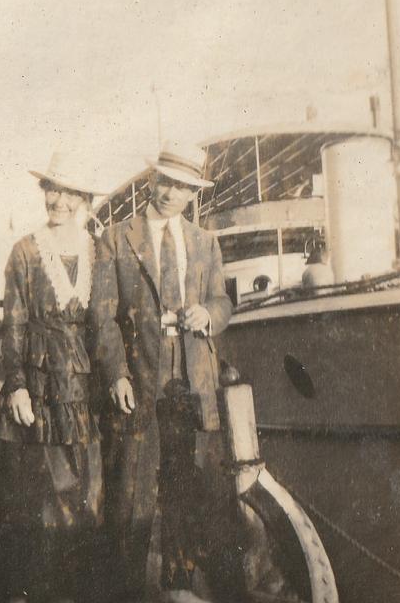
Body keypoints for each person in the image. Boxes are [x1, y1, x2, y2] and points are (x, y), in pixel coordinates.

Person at [89, 140, 233, 603]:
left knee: (184, 482)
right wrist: (117, 373)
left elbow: (222, 301)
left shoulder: (205, 241)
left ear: (194, 193)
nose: (172, 193)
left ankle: (178, 584)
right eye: (167, 182)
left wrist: (207, 315)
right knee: (130, 488)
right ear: (153, 180)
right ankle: (125, 589)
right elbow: (103, 316)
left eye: (183, 187)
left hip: (191, 377)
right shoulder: (117, 238)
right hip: (140, 376)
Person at [0, 152, 107, 603]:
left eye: (69, 193)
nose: (58, 200)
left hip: (86, 389)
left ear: (84, 200)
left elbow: (105, 322)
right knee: (52, 496)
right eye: (52, 190)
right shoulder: (26, 251)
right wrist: (17, 385)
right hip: (42, 388)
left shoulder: (97, 250)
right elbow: (14, 326)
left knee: (91, 495)